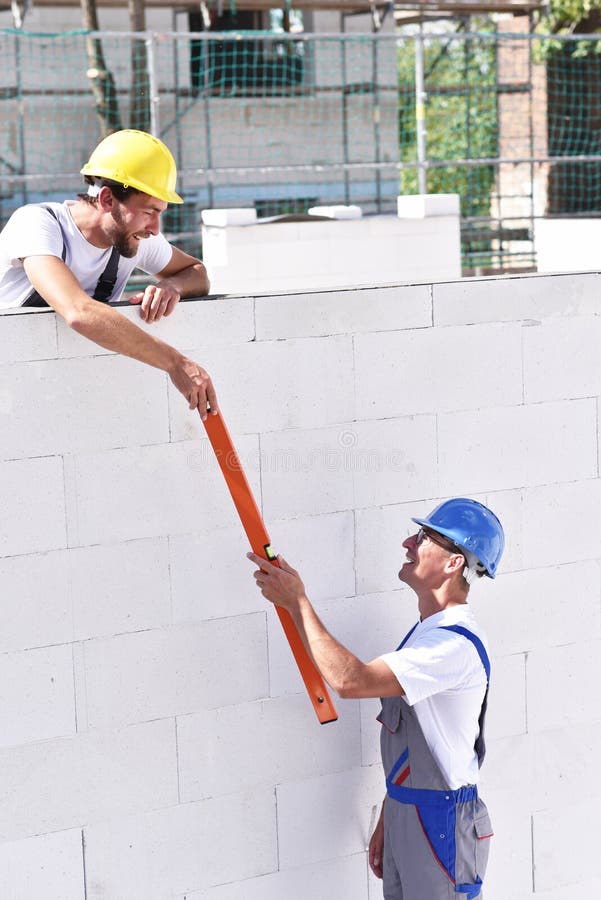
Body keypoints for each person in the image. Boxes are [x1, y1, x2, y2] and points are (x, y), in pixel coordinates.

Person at [248, 497, 504, 900]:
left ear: (454, 562)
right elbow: (424, 739)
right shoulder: (425, 633)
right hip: (411, 812)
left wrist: (296, 600)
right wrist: (392, 811)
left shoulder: (452, 645)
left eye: (423, 537)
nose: (407, 542)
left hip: (442, 821)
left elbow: (351, 681)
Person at [0, 129, 217, 417]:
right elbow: (78, 311)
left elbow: (198, 273)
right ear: (107, 200)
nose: (156, 228)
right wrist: (176, 364)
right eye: (150, 211)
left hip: (64, 399)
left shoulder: (134, 237)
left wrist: (172, 287)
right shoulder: (38, 224)